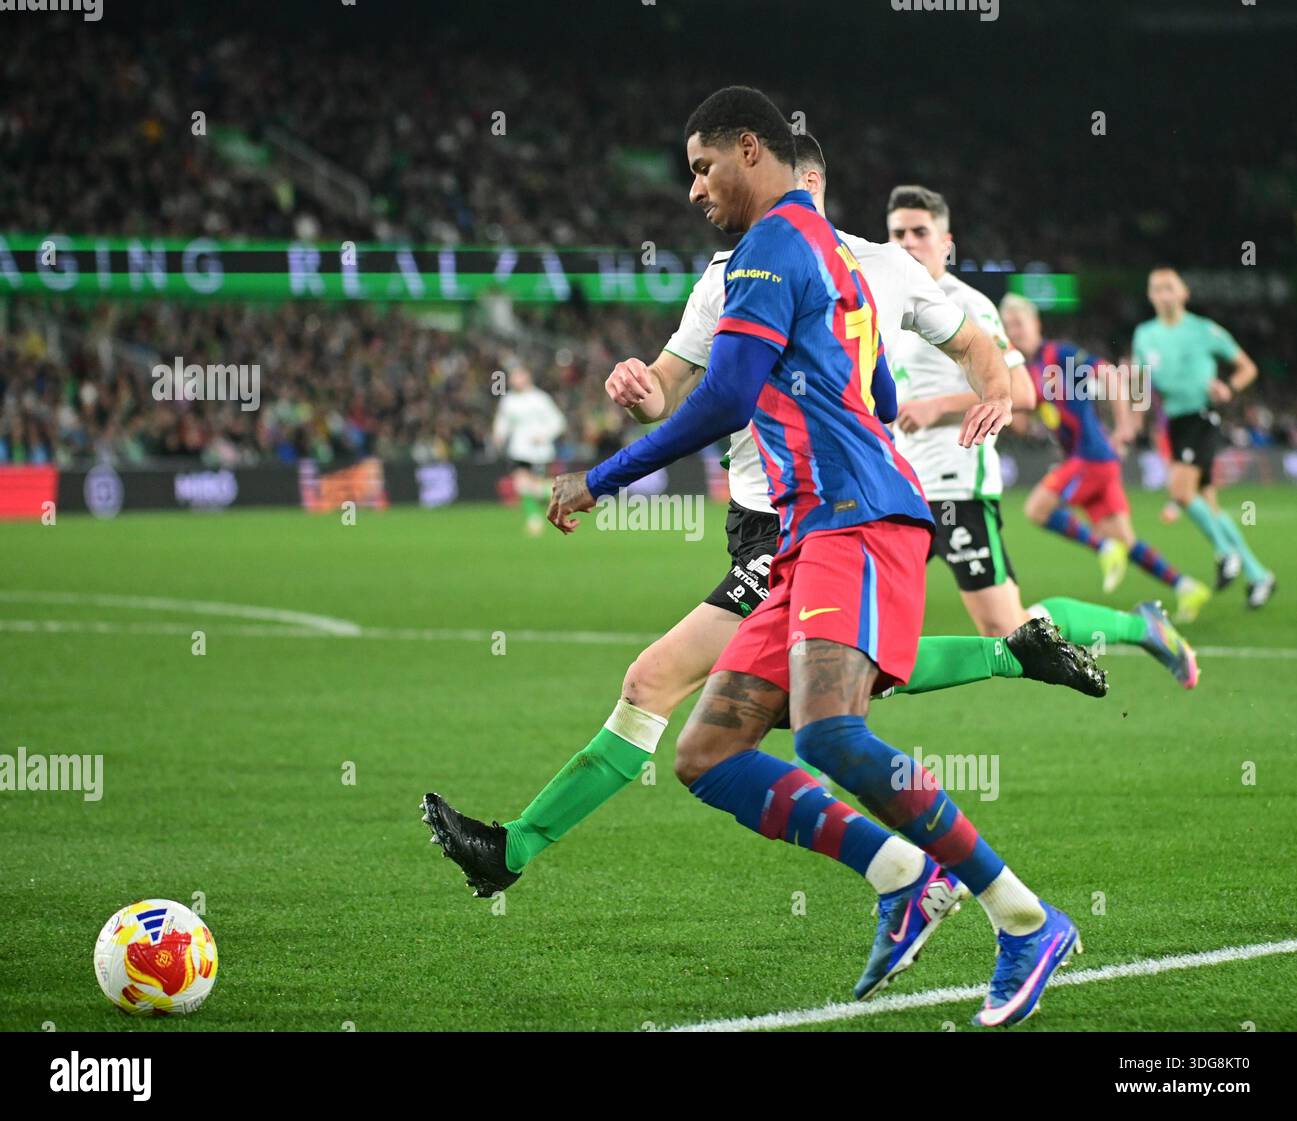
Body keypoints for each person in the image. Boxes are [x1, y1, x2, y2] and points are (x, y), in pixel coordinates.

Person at [420, 135, 1104, 1003]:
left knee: (791, 717)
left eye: (706, 168)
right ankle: (909, 863)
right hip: (801, 523)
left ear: (771, 164)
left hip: (837, 515)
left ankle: (1022, 916)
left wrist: (601, 478)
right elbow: (871, 394)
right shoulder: (810, 266)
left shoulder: (788, 251)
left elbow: (738, 396)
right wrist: (657, 388)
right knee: (713, 748)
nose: (697, 188)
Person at [885, 185, 1199, 687]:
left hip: (954, 487)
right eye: (897, 232)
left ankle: (1141, 627)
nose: (907, 242)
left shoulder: (967, 306)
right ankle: (828, 737)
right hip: (898, 490)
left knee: (1010, 630)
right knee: (862, 632)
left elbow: (1023, 390)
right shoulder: (885, 305)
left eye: (920, 232)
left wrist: (937, 407)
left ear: (946, 242)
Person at [999, 292, 1210, 621]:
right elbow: (1026, 422)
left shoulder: (1059, 354)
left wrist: (1126, 424)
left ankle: (1102, 548)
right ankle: (1186, 586)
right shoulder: (1025, 370)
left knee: (1037, 508)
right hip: (1091, 460)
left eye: (1019, 322)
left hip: (1091, 456)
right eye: (1008, 325)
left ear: (1035, 323)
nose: (1014, 330)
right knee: (1126, 540)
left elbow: (1109, 374)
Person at [1131, 267, 1275, 608]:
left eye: (1169, 287)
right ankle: (1258, 575)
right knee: (1209, 507)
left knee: (1180, 492)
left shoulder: (1204, 330)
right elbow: (1139, 384)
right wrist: (1134, 424)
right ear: (1150, 297)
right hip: (1176, 424)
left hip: (1202, 417)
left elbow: (1247, 367)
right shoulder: (1144, 334)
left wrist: (1229, 388)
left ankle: (1226, 554)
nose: (1163, 293)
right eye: (1156, 288)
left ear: (1184, 293)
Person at [492, 365, 566, 536]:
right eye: (514, 376)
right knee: (521, 485)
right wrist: (499, 435)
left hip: (540, 451)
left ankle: (566, 496)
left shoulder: (540, 399)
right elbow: (503, 422)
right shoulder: (508, 400)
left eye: (519, 376)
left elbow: (558, 421)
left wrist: (544, 435)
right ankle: (534, 520)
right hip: (518, 450)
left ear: (527, 377)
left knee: (536, 486)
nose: (515, 380)